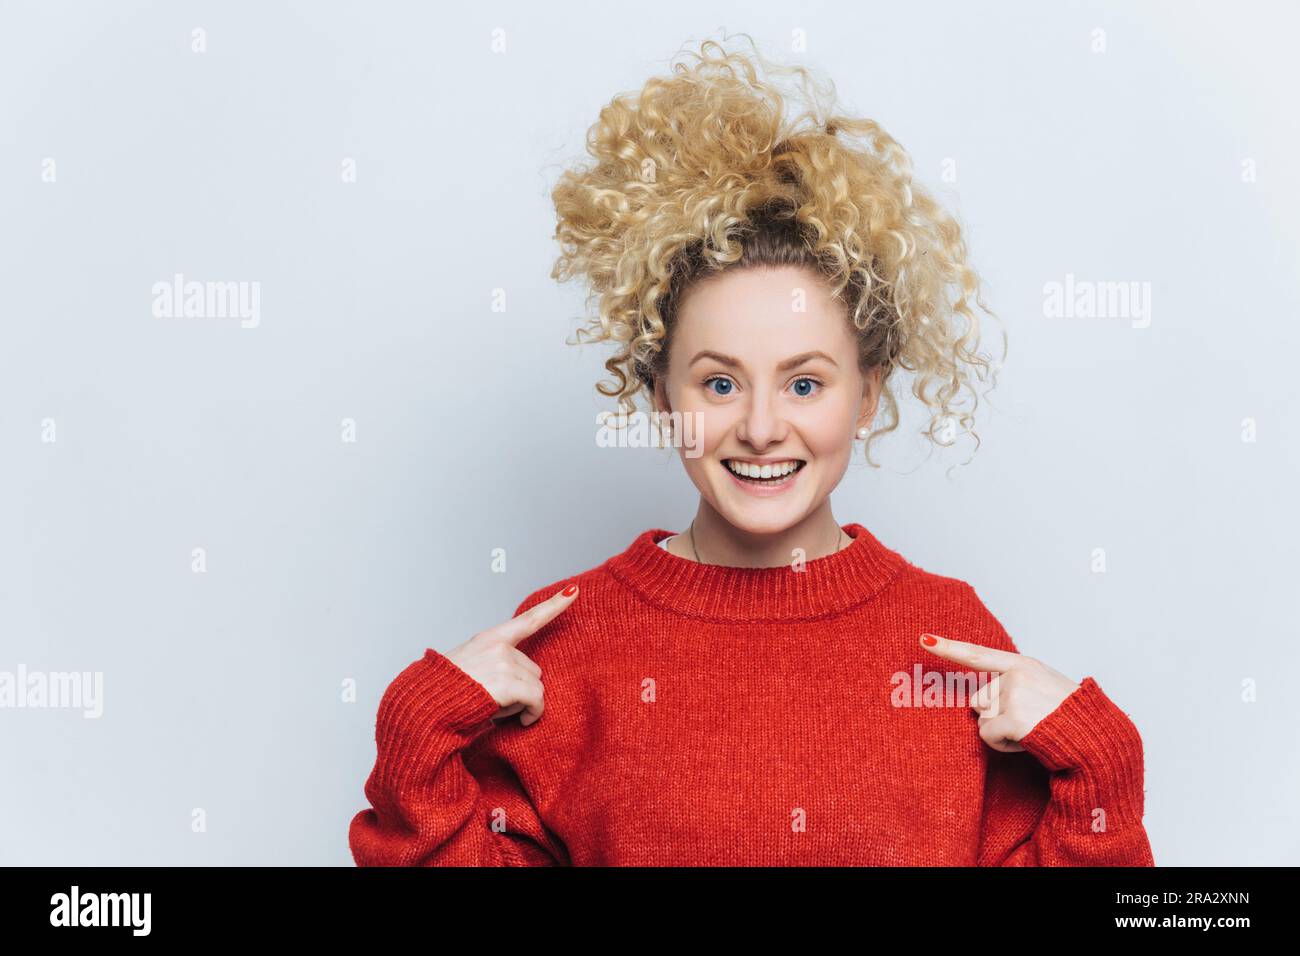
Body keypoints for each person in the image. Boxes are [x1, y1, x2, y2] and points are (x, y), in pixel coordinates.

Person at [348, 35, 1154, 866]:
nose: (763, 428)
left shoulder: (946, 641)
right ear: (661, 396)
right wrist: (418, 733)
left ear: (868, 394)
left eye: (805, 384)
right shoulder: (565, 643)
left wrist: (1102, 766)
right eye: (720, 384)